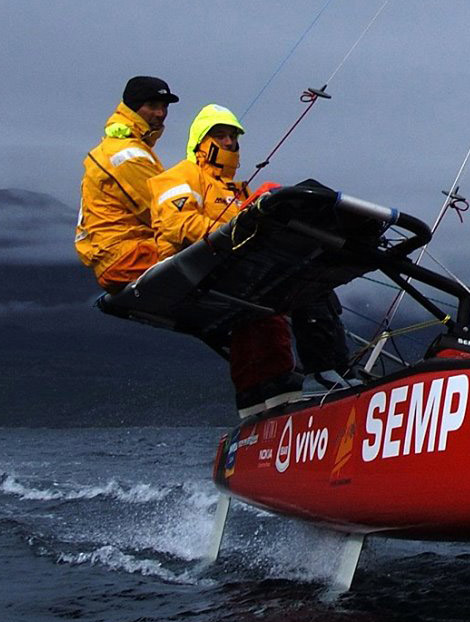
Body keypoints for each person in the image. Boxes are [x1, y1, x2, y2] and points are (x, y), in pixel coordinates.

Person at [151, 105, 353, 412]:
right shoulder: (180, 176)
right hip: (200, 270)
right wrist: (236, 231)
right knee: (292, 286)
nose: (229, 143)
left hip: (236, 265)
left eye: (232, 137)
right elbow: (176, 225)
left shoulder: (237, 189)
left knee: (285, 292)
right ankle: (331, 370)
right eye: (220, 136)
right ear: (201, 142)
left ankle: (267, 394)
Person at [76, 76, 180, 291]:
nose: (160, 114)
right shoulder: (127, 155)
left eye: (164, 107)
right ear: (133, 108)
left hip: (124, 253)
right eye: (152, 106)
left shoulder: (125, 148)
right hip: (128, 256)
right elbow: (163, 212)